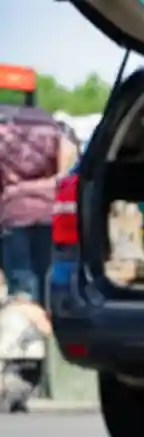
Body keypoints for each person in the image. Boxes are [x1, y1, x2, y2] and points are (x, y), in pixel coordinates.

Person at [0, 105, 79, 307]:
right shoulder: (53, 129)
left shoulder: (4, 133)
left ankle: (28, 325)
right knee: (47, 271)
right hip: (49, 211)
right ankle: (47, 321)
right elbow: (69, 168)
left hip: (14, 212)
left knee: (20, 276)